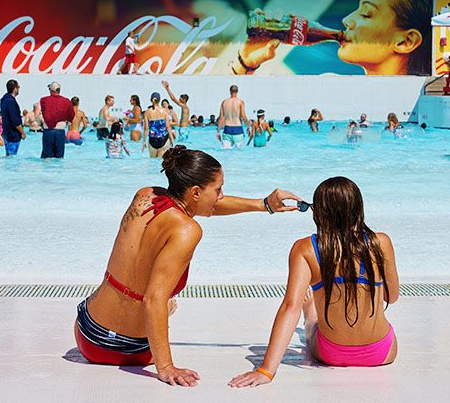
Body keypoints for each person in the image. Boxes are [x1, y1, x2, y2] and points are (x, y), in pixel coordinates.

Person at [73, 146, 301, 386]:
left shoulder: (145, 196)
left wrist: (264, 204)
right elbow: (153, 299)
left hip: (88, 333)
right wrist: (166, 367)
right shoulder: (187, 230)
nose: (221, 195)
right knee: (163, 300)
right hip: (128, 350)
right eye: (218, 189)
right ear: (194, 192)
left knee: (147, 293)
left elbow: (206, 207)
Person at [229, 176, 399, 387]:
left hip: (331, 353)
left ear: (318, 211)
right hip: (381, 352)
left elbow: (289, 308)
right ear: (358, 207)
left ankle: (310, 308)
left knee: (311, 320)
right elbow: (392, 297)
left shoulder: (305, 249)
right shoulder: (380, 242)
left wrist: (266, 370)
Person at [238, 0, 431, 76]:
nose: (347, 20)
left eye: (366, 14)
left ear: (405, 41)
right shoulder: (329, 83)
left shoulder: (331, 89)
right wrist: (246, 63)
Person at [40, 82, 74, 159]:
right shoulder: (67, 101)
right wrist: (66, 124)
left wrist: (41, 124)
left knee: (47, 158)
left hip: (48, 131)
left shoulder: (43, 100)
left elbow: (39, 113)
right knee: (59, 158)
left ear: (51, 90)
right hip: (60, 131)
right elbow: (72, 116)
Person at [217, 84, 249, 149]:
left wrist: (218, 131)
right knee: (239, 152)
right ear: (237, 91)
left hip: (227, 129)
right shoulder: (240, 102)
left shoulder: (224, 102)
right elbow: (243, 116)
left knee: (226, 151)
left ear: (230, 91)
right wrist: (248, 126)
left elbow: (221, 117)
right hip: (238, 129)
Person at [143, 92, 174, 158]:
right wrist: (172, 139)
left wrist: (144, 141)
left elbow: (146, 128)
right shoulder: (164, 111)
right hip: (163, 139)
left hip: (152, 140)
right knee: (160, 162)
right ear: (159, 100)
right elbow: (168, 127)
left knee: (153, 162)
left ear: (151, 100)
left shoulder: (147, 112)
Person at [0, 79, 26, 156]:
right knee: (12, 156)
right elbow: (15, 121)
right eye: (18, 87)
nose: (19, 89)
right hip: (13, 133)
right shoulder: (11, 102)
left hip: (6, 131)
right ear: (15, 89)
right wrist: (23, 133)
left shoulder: (4, 99)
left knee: (8, 154)